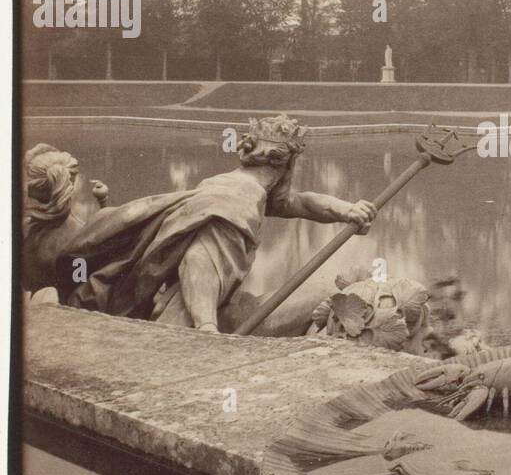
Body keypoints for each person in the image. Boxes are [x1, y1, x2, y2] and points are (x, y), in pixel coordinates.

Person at [60, 114, 376, 332]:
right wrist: (206, 328)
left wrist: (347, 210)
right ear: (288, 164)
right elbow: (203, 259)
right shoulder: (241, 199)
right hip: (190, 312)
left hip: (181, 296)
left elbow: (297, 202)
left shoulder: (234, 184)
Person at [23, 143, 109, 300]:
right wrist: (103, 204)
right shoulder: (81, 238)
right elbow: (81, 289)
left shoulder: (23, 228)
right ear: (69, 186)